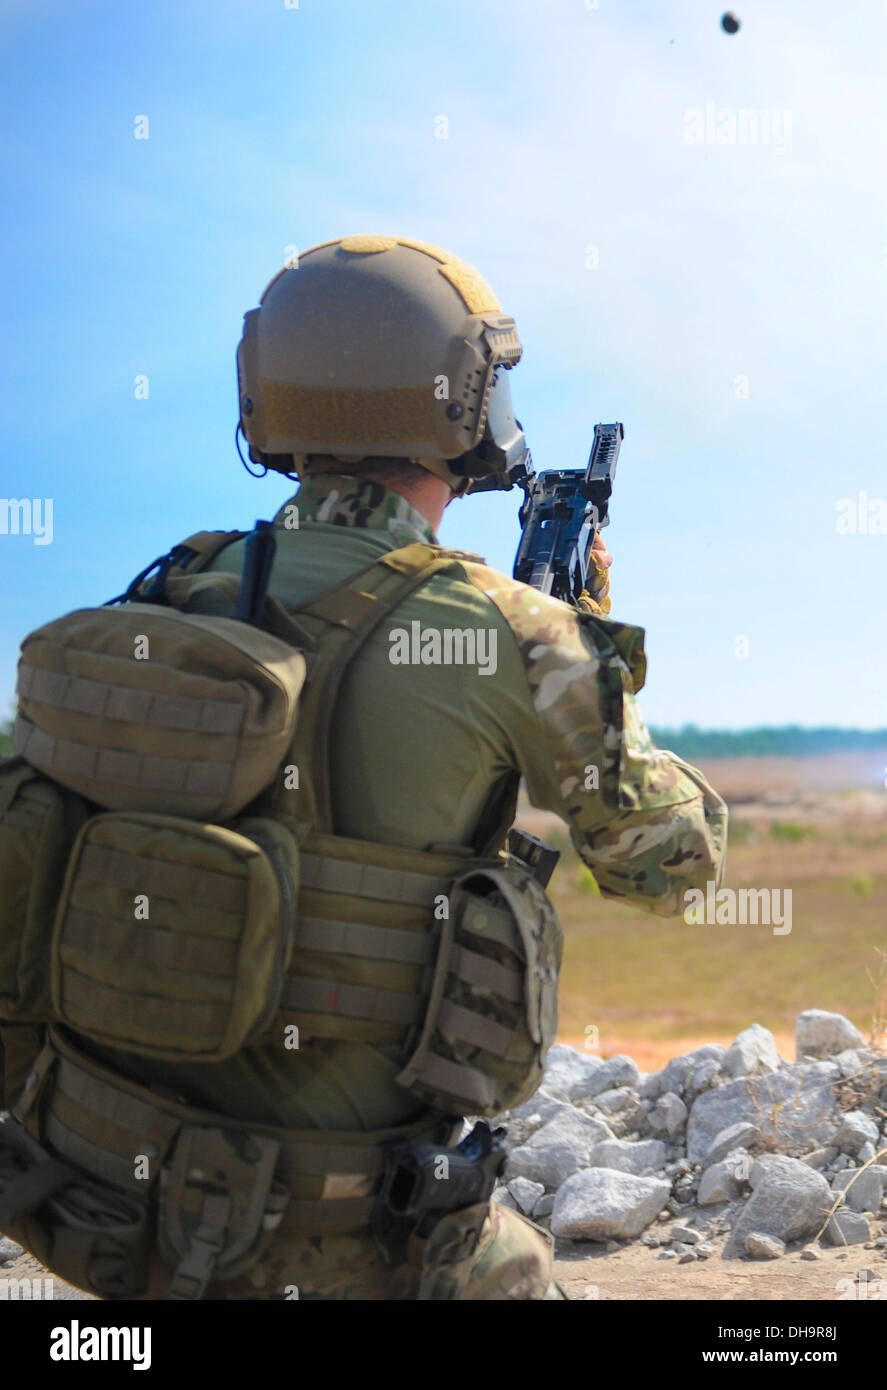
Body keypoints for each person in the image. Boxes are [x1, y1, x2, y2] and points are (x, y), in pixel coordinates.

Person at [5, 235, 727, 1301]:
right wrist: (586, 648)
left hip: (95, 1197)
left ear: (269, 395)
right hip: (337, 1234)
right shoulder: (508, 631)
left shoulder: (163, 594)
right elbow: (671, 863)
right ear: (462, 398)